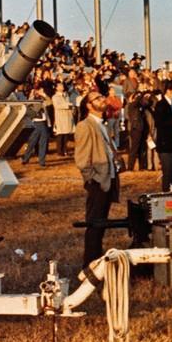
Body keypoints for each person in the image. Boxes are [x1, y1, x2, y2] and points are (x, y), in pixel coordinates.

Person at [74, 90, 120, 266]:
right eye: (98, 98)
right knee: (94, 226)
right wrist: (92, 179)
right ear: (88, 105)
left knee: (101, 225)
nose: (102, 99)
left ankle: (96, 264)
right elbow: (82, 159)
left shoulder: (103, 124)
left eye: (102, 97)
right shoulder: (85, 125)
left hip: (108, 180)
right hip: (98, 183)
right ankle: (90, 266)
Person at [154, 80, 172, 191]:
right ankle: (166, 196)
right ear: (169, 91)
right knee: (168, 174)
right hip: (165, 145)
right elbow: (160, 123)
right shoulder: (161, 105)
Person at [22, 85, 49, 166]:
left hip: (43, 122)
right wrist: (31, 96)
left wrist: (44, 95)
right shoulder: (31, 101)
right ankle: (26, 159)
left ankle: (42, 161)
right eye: (34, 91)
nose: (36, 93)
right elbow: (27, 107)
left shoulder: (42, 100)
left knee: (43, 142)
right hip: (35, 123)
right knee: (32, 142)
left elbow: (50, 102)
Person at [52, 81, 76, 157]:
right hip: (60, 116)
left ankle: (65, 150)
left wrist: (72, 109)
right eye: (59, 85)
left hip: (68, 116)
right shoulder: (55, 97)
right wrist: (67, 105)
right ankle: (60, 151)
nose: (62, 86)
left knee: (66, 134)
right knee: (60, 134)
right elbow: (57, 106)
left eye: (62, 85)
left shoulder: (66, 95)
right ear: (56, 88)